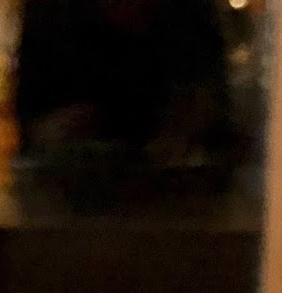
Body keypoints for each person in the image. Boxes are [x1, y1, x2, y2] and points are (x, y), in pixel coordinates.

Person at [14, 0, 236, 187]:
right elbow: (34, 126)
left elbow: (212, 109)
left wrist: (187, 128)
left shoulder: (188, 13)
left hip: (180, 199)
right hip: (65, 198)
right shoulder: (52, 14)